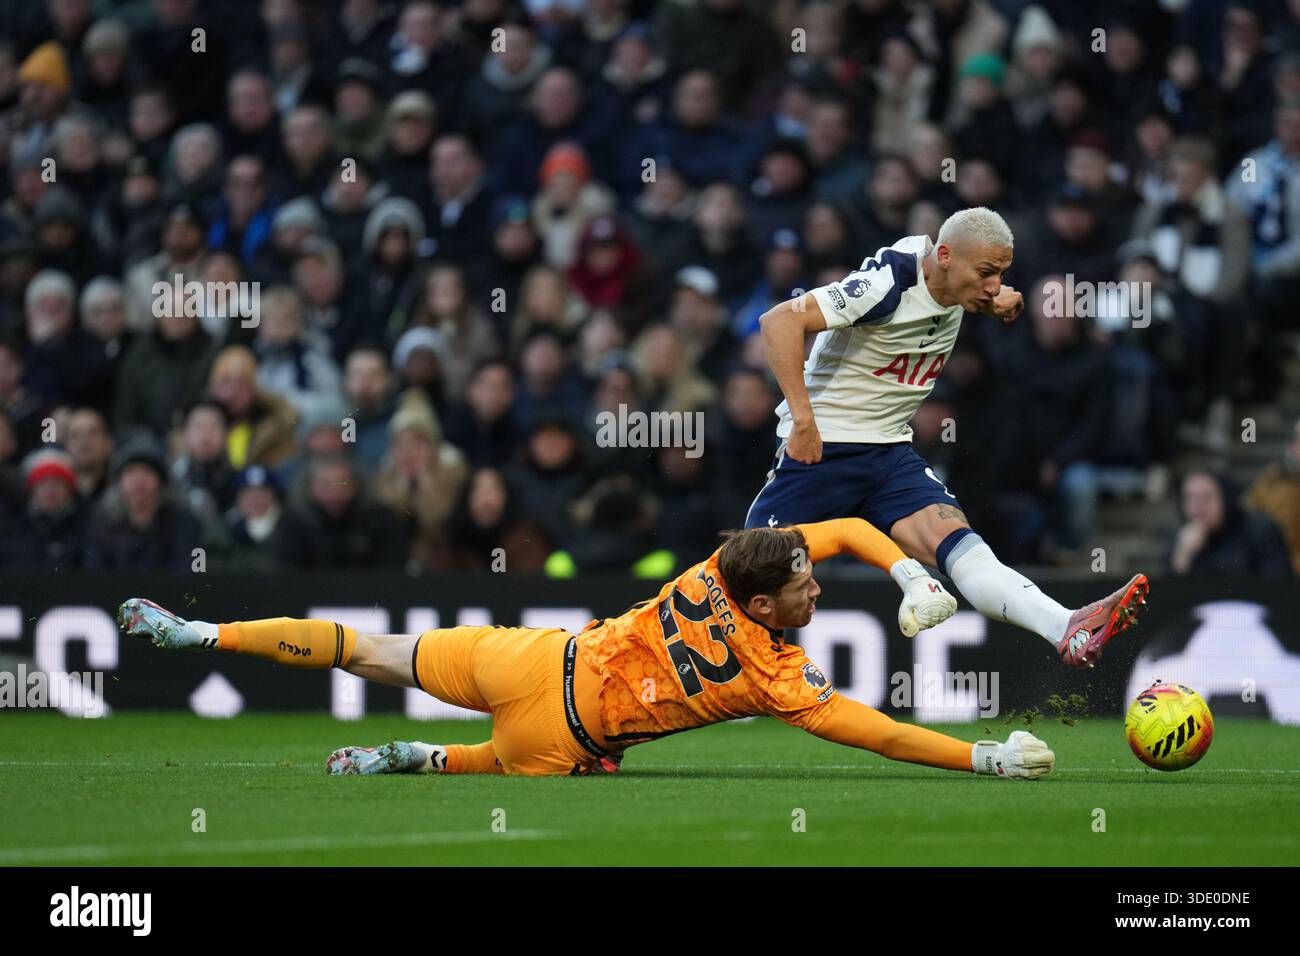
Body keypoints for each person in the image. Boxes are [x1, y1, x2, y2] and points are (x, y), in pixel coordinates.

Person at [117, 516, 1060, 779]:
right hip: (562, 740)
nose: (818, 590)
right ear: (764, 602)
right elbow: (880, 733)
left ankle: (200, 632)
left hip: (533, 660)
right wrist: (982, 756)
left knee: (369, 650)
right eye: (805, 588)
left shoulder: (714, 568)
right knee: (494, 761)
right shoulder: (776, 676)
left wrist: (904, 574)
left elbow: (844, 529)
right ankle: (412, 758)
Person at [746, 206, 1149, 668]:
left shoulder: (952, 278)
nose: (994, 285)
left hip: (888, 454)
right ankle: (708, 678)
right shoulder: (886, 286)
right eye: (986, 273)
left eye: (1001, 274)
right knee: (746, 574)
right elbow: (779, 321)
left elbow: (959, 284)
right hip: (826, 449)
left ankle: (1067, 626)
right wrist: (803, 421)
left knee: (965, 552)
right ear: (944, 256)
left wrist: (989, 299)